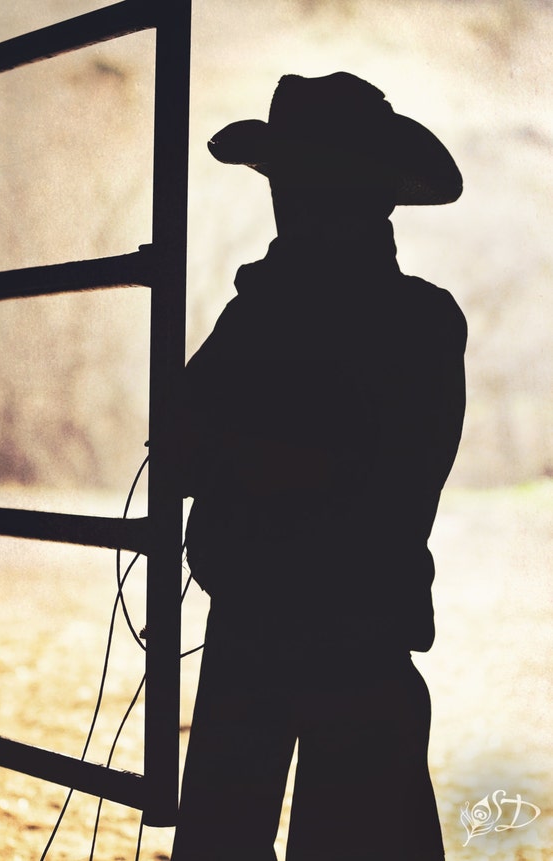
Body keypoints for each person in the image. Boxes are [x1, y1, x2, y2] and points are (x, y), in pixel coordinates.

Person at [173, 72, 467, 861]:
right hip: (319, 631)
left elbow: (201, 440)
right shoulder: (280, 311)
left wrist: (240, 459)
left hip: (328, 632)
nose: (288, 198)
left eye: (303, 179)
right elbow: (188, 435)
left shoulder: (398, 321)